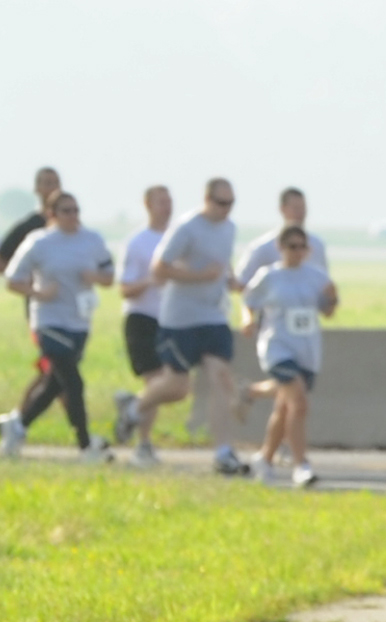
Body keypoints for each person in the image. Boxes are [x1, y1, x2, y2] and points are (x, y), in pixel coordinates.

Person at [115, 178, 249, 473]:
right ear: (207, 200)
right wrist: (200, 277)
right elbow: (160, 268)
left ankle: (224, 452)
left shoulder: (229, 229)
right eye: (221, 203)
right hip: (181, 318)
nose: (226, 210)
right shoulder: (188, 227)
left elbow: (222, 264)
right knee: (176, 386)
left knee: (221, 377)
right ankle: (133, 408)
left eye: (231, 203)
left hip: (213, 315)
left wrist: (230, 280)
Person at [0, 191, 115, 460]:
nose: (73, 216)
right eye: (66, 211)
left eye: (76, 210)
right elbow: (12, 279)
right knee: (73, 381)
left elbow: (109, 276)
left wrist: (94, 276)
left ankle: (18, 425)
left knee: (54, 384)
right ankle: (86, 445)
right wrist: (38, 293)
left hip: (79, 321)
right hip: (49, 320)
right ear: (52, 214)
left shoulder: (91, 240)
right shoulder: (39, 242)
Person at [242, 225, 338, 487]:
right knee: (300, 404)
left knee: (284, 408)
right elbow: (249, 301)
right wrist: (248, 321)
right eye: (291, 247)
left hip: (306, 349)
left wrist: (332, 298)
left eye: (302, 247)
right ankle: (301, 465)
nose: (297, 252)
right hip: (278, 347)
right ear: (280, 249)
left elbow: (327, 311)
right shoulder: (269, 277)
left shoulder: (316, 277)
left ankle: (265, 457)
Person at [114, 186, 174, 438]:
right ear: (148, 205)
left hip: (171, 319)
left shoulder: (177, 240)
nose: (167, 207)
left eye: (169, 201)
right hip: (142, 318)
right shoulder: (137, 242)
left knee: (168, 384)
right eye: (161, 202)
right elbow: (125, 288)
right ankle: (144, 443)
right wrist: (152, 280)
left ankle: (132, 406)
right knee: (155, 379)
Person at [238, 187, 332, 283]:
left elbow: (325, 284)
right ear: (282, 209)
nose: (301, 213)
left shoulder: (317, 245)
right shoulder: (263, 248)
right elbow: (243, 282)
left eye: (303, 208)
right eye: (296, 208)